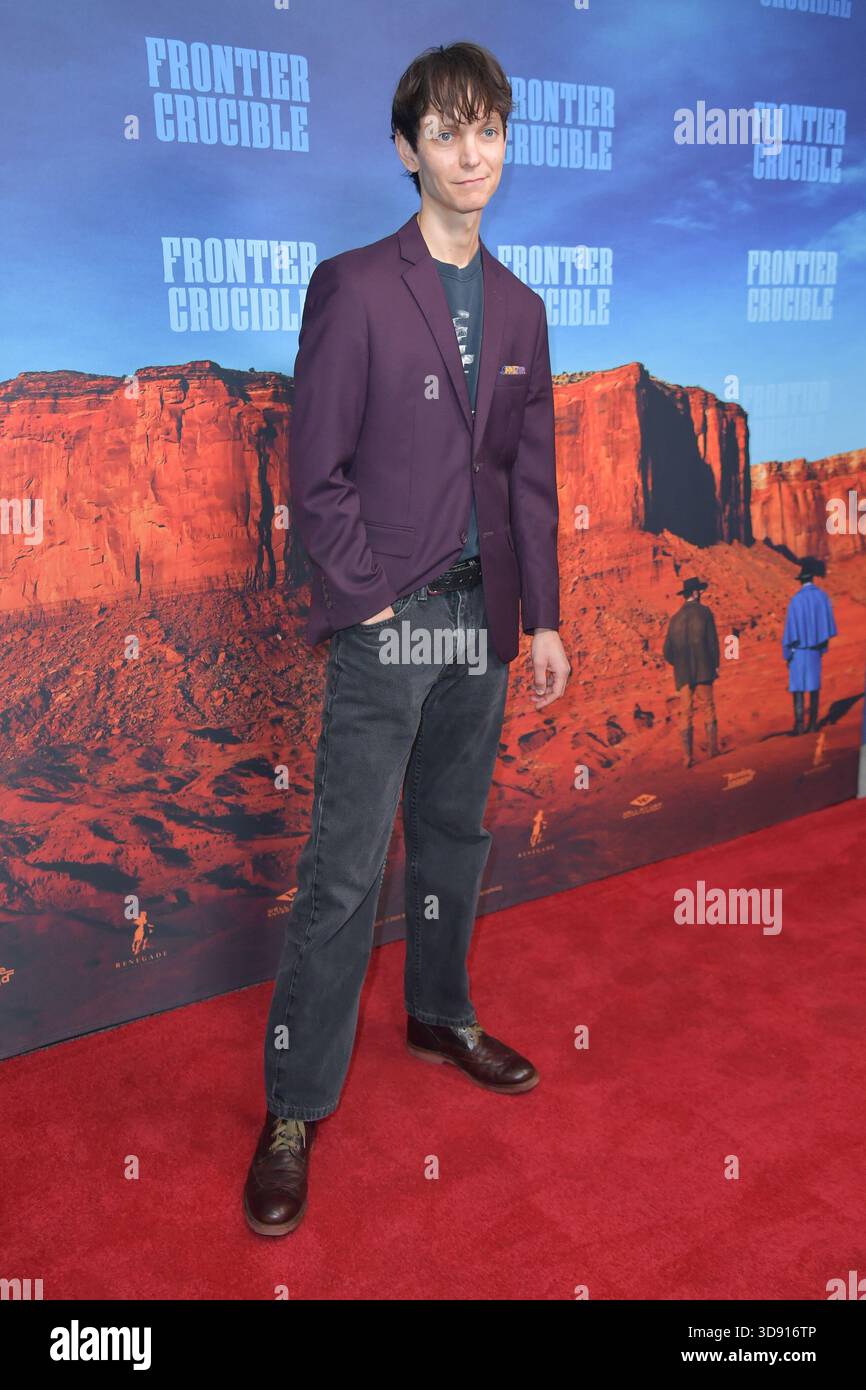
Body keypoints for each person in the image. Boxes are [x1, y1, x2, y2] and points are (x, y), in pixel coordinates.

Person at [243, 42, 570, 1237]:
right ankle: (292, 1107)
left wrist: (541, 618)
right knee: (340, 876)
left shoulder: (527, 307)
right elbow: (313, 468)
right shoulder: (354, 286)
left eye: (488, 128)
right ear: (405, 149)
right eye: (446, 131)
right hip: (390, 631)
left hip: (485, 628)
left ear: (504, 142)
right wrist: (373, 602)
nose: (470, 151)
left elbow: (529, 483)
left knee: (451, 838)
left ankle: (438, 1014)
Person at [662, 577, 720, 769]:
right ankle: (713, 751)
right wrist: (715, 664)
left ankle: (688, 757)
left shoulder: (675, 619)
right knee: (708, 707)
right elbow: (712, 643)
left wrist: (679, 664)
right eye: (699, 591)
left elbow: (667, 652)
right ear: (695, 593)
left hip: (683, 674)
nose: (701, 594)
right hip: (704, 670)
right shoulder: (705, 613)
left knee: (685, 712)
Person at [782, 558, 837, 735]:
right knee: (814, 686)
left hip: (798, 651)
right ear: (812, 578)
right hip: (814, 651)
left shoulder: (795, 601)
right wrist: (822, 649)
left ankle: (799, 726)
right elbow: (827, 625)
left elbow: (790, 631)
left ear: (801, 580)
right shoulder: (822, 597)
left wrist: (787, 654)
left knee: (797, 687)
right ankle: (813, 724)